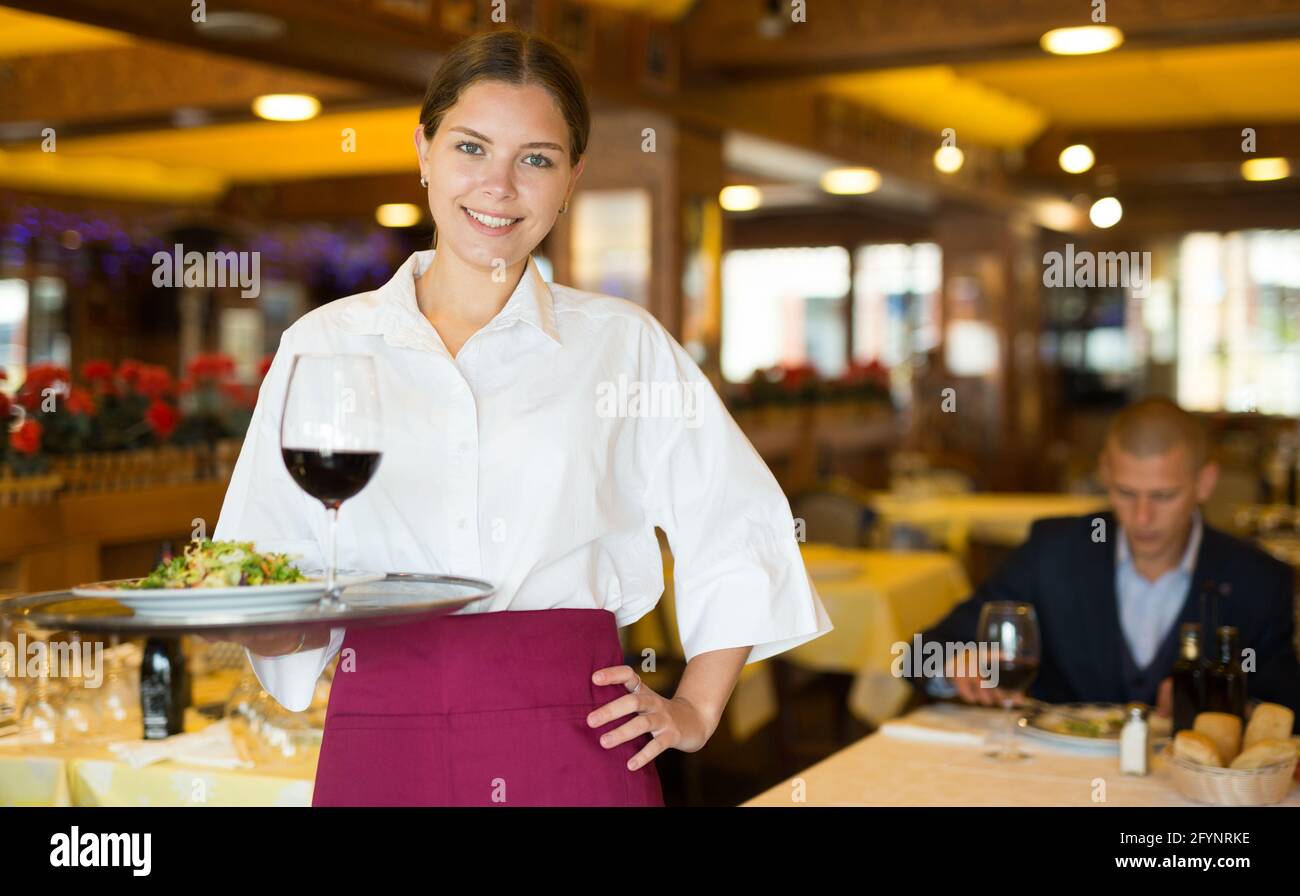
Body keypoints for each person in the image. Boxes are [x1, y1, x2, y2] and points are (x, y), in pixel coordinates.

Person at [211, 29, 832, 806]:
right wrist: (267, 627)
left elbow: (737, 519)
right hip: (384, 723)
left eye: (535, 159)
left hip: (578, 727)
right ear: (424, 150)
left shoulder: (621, 344)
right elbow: (265, 562)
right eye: (471, 148)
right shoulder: (325, 344)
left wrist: (697, 708)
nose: (498, 185)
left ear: (570, 178)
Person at [906, 398, 1300, 727]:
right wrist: (953, 665)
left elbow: (1288, 707)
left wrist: (1228, 699)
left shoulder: (1259, 579)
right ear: (1106, 472)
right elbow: (916, 656)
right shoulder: (1054, 552)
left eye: (1163, 496)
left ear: (1205, 482)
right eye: (1126, 493)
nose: (1142, 517)